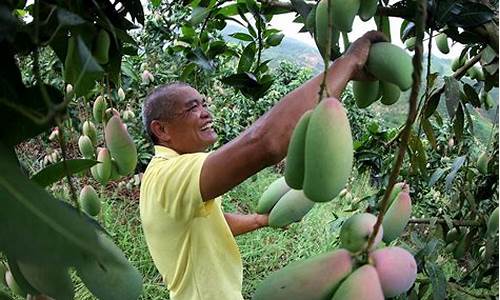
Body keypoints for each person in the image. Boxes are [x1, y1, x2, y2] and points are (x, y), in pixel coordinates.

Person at [140, 31, 386, 300]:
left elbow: (206, 224)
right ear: (161, 129)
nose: (206, 112)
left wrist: (260, 220)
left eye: (204, 103)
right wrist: (347, 64)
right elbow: (265, 142)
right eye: (191, 108)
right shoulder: (170, 174)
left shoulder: (166, 174)